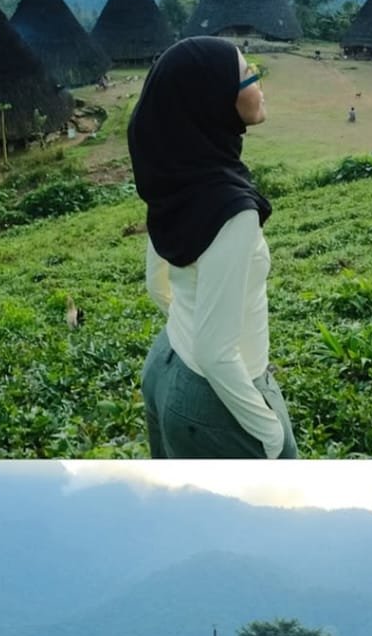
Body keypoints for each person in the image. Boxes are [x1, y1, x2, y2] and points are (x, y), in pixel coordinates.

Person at [128, 37, 298, 459]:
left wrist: (183, 323)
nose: (259, 82)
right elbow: (215, 352)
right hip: (212, 398)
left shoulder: (178, 172)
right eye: (247, 75)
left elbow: (157, 284)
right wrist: (271, 435)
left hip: (165, 364)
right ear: (214, 98)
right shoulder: (233, 210)